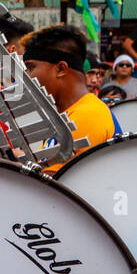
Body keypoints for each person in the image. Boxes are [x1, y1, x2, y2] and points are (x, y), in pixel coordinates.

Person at [21, 26, 116, 174]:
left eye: (30, 67)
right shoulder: (69, 114)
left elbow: (50, 184)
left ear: (61, 69)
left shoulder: (88, 114)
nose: (26, 76)